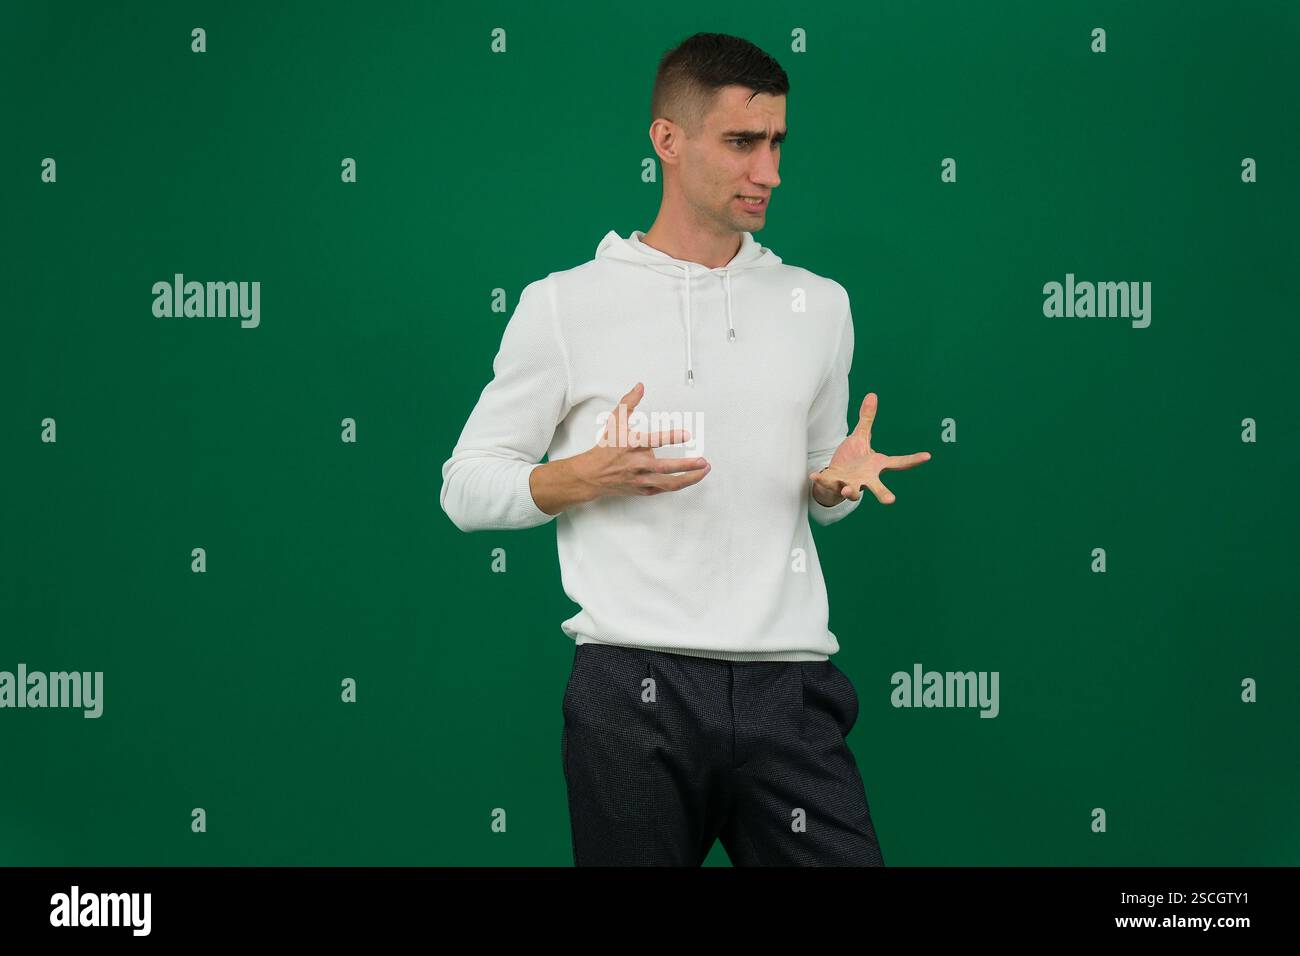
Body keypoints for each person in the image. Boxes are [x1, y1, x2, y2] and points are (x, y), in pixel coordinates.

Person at [440, 32, 931, 866]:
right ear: (668, 141)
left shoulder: (820, 304)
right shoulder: (565, 306)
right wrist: (580, 476)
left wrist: (834, 488)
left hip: (790, 685)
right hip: (632, 691)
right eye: (742, 142)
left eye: (777, 142)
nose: (768, 171)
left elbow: (816, 483)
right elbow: (465, 488)